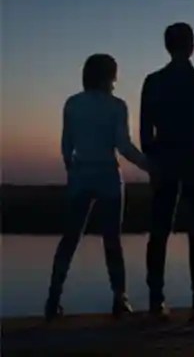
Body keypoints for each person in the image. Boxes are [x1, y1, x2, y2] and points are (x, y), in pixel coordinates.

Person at [45, 54, 150, 320]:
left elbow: (66, 144)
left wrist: (72, 169)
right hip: (107, 176)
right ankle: (120, 298)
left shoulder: (72, 104)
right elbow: (123, 146)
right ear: (111, 76)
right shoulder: (116, 106)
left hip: (81, 175)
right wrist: (149, 166)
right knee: (112, 240)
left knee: (70, 238)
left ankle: (53, 297)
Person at [140, 22, 194, 319]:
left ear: (167, 46)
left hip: (165, 162)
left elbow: (145, 132)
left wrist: (153, 162)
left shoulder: (153, 82)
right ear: (191, 45)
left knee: (159, 232)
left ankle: (156, 302)